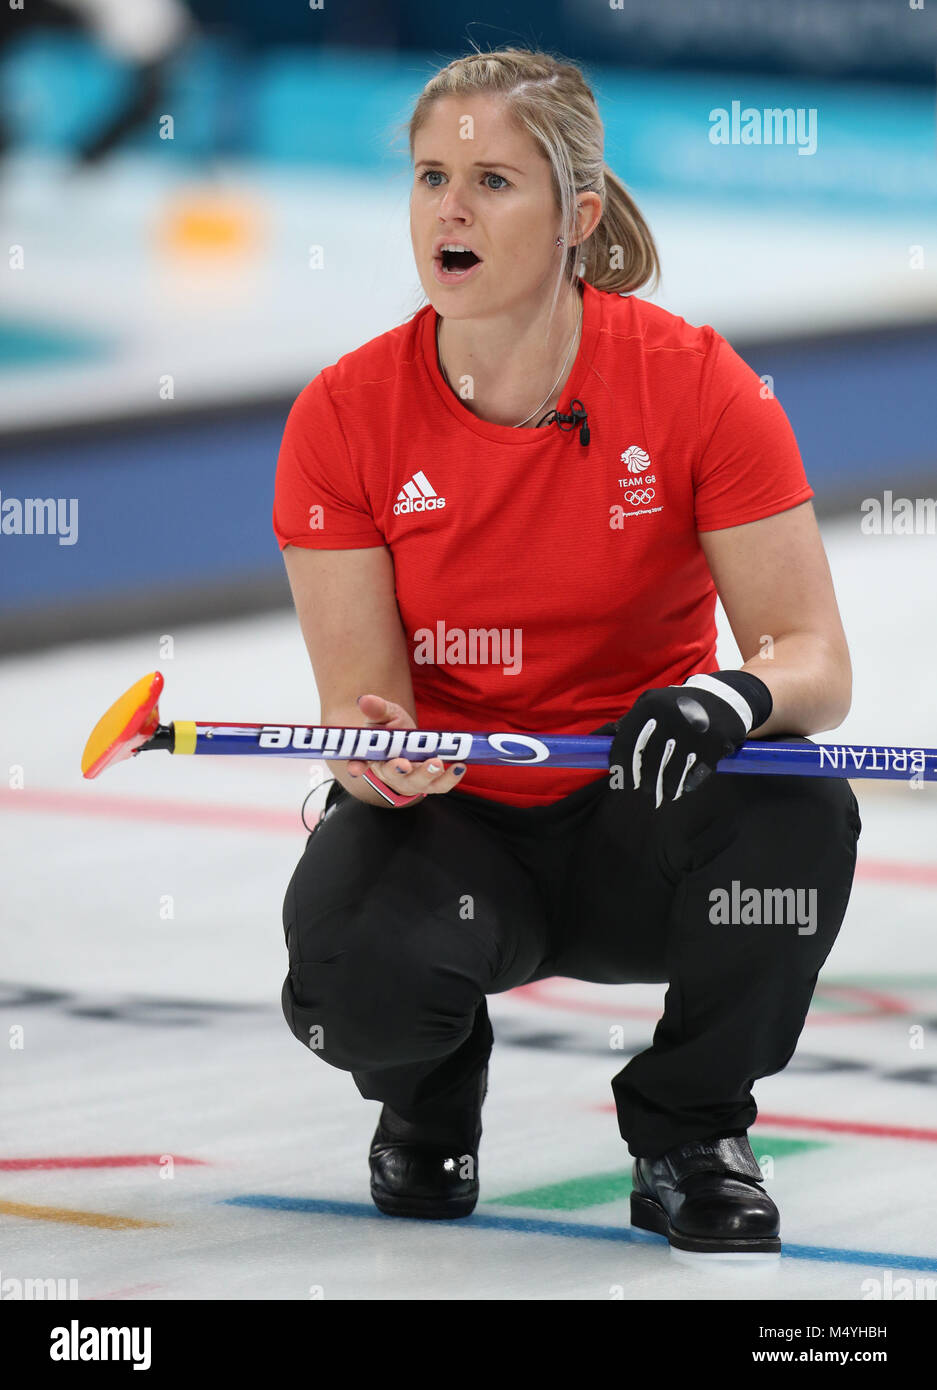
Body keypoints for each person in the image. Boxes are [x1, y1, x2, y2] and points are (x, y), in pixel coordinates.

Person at [272, 47, 861, 1257]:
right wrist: (372, 763)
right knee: (352, 984)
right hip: (457, 831)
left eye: (492, 181)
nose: (449, 208)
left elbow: (811, 659)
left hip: (633, 823)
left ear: (576, 214)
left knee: (798, 814)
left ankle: (690, 1131)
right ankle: (430, 1091)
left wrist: (728, 700)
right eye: (433, 176)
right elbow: (361, 709)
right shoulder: (343, 414)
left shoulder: (696, 385)